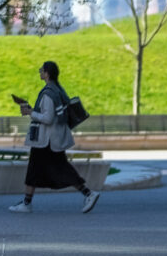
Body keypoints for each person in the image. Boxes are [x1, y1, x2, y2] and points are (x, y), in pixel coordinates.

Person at [9, 61, 99, 214]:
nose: (39, 73)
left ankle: (88, 193)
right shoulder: (57, 90)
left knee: (54, 168)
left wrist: (30, 112)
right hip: (50, 139)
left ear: (47, 73)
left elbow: (48, 118)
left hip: (46, 141)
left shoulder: (49, 93)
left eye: (41, 70)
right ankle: (27, 202)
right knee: (40, 169)